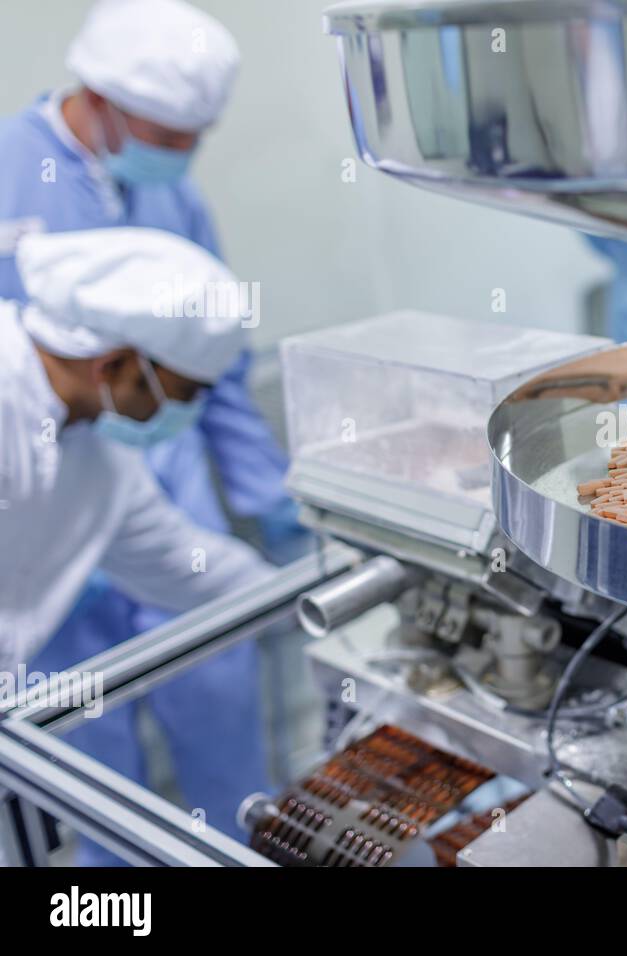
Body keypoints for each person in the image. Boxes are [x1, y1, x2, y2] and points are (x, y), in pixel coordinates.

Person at [0, 0, 304, 863]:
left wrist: (301, 578)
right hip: (41, 602)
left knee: (218, 724)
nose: (178, 158)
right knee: (87, 786)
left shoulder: (101, 463)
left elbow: (179, 562)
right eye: (165, 136)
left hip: (128, 482)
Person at [0, 229, 276, 863]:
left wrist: (326, 594)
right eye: (178, 395)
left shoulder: (98, 459)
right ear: (117, 365)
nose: (175, 415)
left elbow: (183, 566)